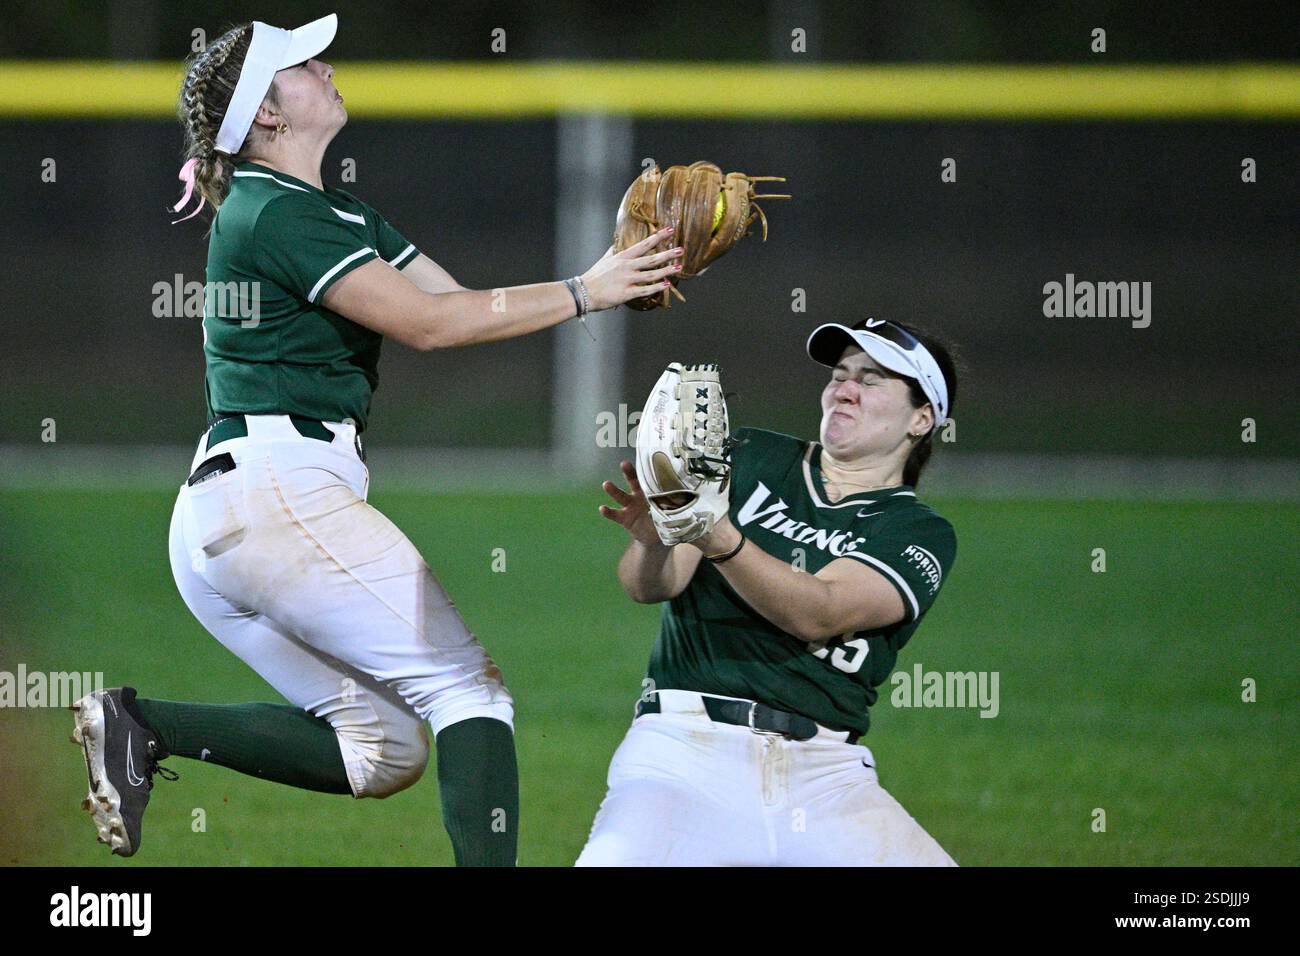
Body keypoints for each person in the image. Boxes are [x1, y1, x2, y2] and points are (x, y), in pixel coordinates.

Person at [70, 13, 682, 865]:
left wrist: (611, 278)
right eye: (300, 65)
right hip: (274, 494)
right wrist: (588, 288)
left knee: (384, 748)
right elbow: (431, 326)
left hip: (233, 513)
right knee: (470, 691)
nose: (324, 67)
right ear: (268, 116)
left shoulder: (330, 210)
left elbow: (463, 303)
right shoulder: (275, 212)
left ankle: (140, 727)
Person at [581, 318, 960, 865]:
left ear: (922, 418)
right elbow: (648, 586)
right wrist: (659, 540)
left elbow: (819, 612)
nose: (845, 388)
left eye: (872, 380)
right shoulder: (752, 455)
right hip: (683, 751)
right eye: (840, 374)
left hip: (826, 778)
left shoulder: (920, 534)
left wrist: (719, 536)